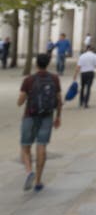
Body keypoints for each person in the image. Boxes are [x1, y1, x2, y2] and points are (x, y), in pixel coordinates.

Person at [18, 53, 62, 191]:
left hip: (30, 116)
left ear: (36, 64)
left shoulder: (28, 80)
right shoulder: (54, 79)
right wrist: (58, 117)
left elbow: (20, 102)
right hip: (47, 116)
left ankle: (29, 170)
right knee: (41, 146)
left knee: (25, 146)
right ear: (48, 64)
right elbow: (59, 101)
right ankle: (38, 181)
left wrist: (23, 98)